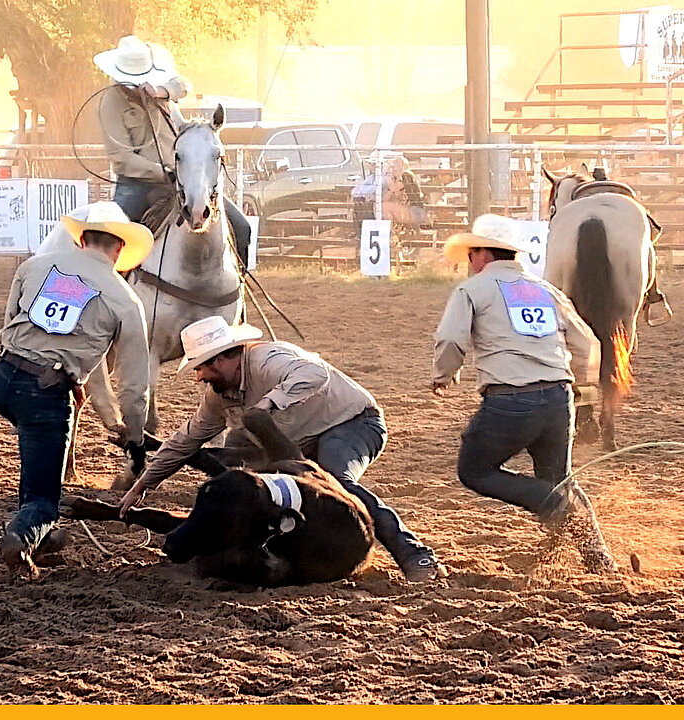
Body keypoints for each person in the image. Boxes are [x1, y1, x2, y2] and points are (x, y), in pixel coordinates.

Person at [118, 316, 447, 583]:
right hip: (296, 444)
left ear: (223, 358)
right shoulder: (220, 396)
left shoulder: (267, 360)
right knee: (256, 485)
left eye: (203, 367)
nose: (201, 376)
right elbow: (185, 440)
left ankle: (414, 554)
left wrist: (265, 407)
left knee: (337, 481)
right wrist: (143, 484)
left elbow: (314, 373)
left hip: (350, 423)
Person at [431, 214, 617, 573]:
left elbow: (452, 338)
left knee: (475, 469)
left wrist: (444, 374)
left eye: (472, 253)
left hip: (510, 400)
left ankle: (550, 505)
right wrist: (584, 391)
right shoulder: (545, 290)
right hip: (560, 399)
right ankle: (600, 559)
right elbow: (588, 343)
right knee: (561, 479)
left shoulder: (472, 290)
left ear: (483, 255)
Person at [0, 201, 155, 572]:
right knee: (45, 498)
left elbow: (11, 321)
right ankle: (23, 533)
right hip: (44, 393)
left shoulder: (34, 266)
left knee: (38, 454)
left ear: (81, 241)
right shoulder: (125, 300)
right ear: (119, 250)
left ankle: (44, 537)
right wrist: (135, 434)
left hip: (3, 379)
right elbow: (133, 384)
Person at [94, 35, 252, 262]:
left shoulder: (159, 85)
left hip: (182, 178)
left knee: (241, 228)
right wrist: (164, 172)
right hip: (138, 184)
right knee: (112, 241)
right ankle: (112, 290)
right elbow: (122, 158)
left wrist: (162, 91)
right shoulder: (111, 102)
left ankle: (239, 284)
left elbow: (183, 85)